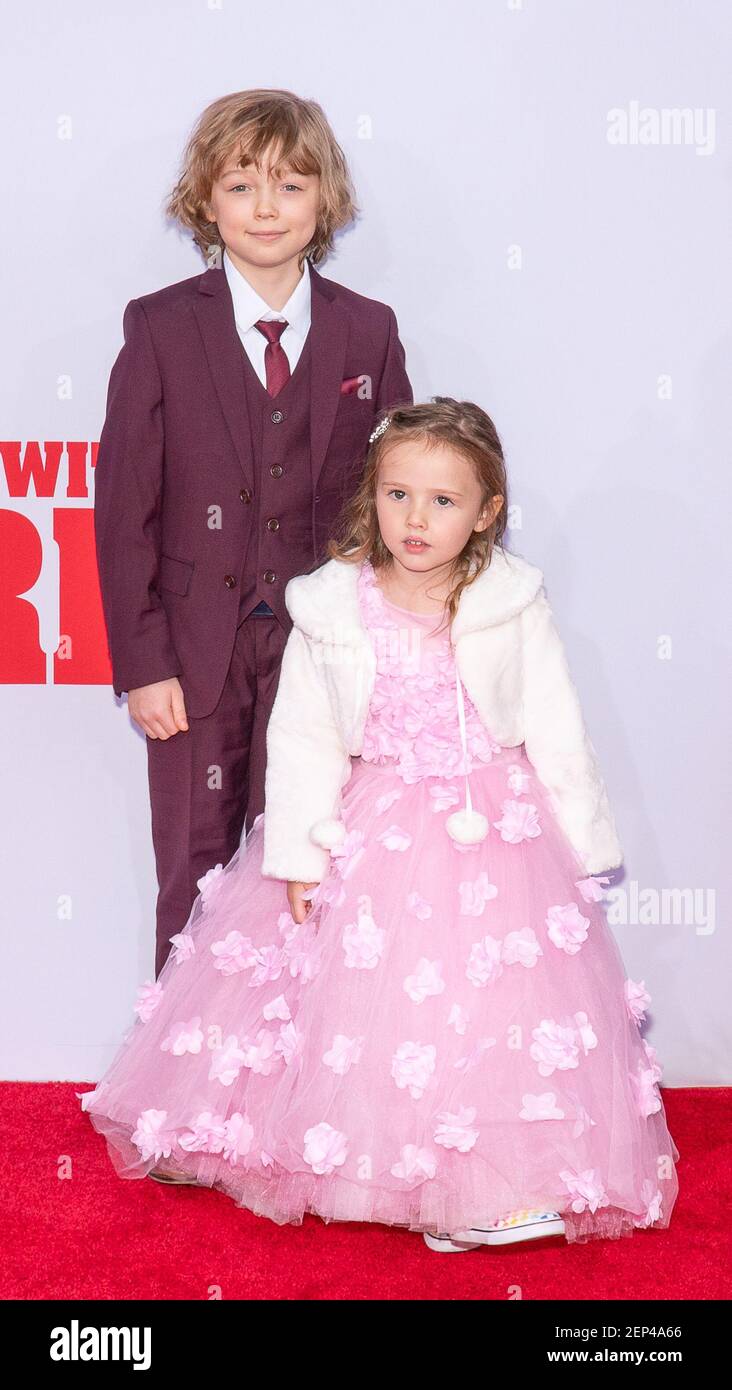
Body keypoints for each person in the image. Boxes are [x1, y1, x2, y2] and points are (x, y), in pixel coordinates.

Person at [80, 398, 680, 1252]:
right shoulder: (333, 607)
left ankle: (484, 1190)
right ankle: (377, 1174)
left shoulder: (511, 601)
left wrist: (580, 849)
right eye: (399, 495)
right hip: (369, 826)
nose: (417, 519)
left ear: (487, 513)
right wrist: (293, 851)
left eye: (443, 501)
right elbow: (304, 737)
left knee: (481, 1007)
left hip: (491, 830)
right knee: (363, 1006)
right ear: (374, 495)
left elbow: (555, 723)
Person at [93, 89, 412, 978]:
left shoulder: (366, 330)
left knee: (309, 862)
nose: (266, 208)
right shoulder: (158, 327)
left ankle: (296, 1080)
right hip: (192, 656)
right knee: (194, 868)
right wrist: (145, 662)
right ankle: (179, 1086)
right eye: (241, 185)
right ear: (204, 201)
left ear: (326, 202)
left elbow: (395, 498)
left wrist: (390, 644)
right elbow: (124, 514)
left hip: (322, 651)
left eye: (289, 184)